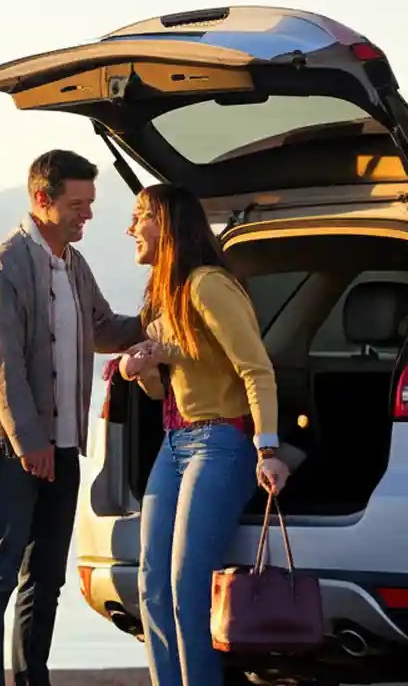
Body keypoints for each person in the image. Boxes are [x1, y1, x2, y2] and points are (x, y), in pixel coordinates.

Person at [0, 149, 143, 686]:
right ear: (42, 199)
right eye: (77, 204)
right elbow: (4, 364)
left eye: (90, 203)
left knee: (46, 578)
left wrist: (163, 313)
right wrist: (28, 443)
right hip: (11, 446)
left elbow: (105, 330)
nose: (87, 214)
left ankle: (32, 679)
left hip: (64, 447)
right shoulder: (4, 264)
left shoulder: (73, 264)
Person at [116, 183, 291, 686]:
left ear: (167, 225)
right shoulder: (161, 300)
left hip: (221, 441)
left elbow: (256, 369)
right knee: (151, 587)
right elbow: (160, 393)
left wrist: (268, 448)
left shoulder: (207, 284)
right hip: (173, 443)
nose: (131, 228)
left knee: (186, 587)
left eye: (140, 216)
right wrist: (142, 367)